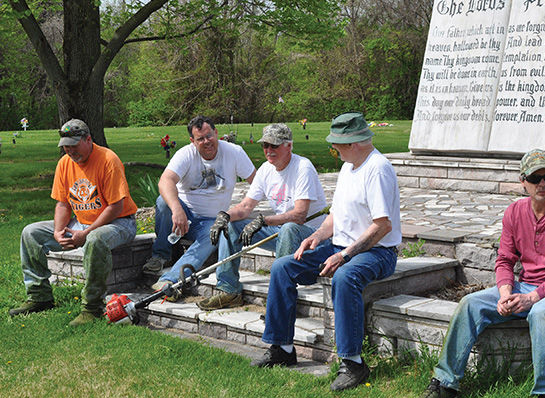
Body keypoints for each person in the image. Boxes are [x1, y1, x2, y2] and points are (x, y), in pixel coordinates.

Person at [408, 149, 545, 398]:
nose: (543, 183)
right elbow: (505, 259)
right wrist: (506, 292)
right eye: (535, 177)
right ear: (523, 181)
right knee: (470, 303)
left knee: (542, 312)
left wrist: (532, 298)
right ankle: (445, 383)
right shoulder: (515, 212)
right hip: (525, 286)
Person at [250, 112, 402, 391]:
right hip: (338, 244)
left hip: (377, 252)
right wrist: (317, 237)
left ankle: (353, 363)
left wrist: (344, 256)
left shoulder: (377, 169)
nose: (334, 149)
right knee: (283, 267)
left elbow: (382, 226)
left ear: (353, 143)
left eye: (337, 144)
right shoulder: (349, 166)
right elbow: (336, 215)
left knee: (345, 276)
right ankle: (282, 348)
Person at [9, 119, 138, 326]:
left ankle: (92, 307)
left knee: (96, 239)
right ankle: (39, 297)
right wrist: (59, 232)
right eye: (66, 146)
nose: (70, 150)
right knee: (31, 232)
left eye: (74, 145)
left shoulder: (108, 159)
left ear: (88, 139)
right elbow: (62, 204)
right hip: (82, 224)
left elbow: (116, 207)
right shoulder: (64, 163)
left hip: (120, 223)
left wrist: (85, 235)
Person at [203, 123, 327, 310]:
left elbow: (300, 215)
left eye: (274, 145)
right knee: (232, 225)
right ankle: (228, 290)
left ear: (289, 146)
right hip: (282, 233)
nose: (268, 150)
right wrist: (224, 216)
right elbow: (245, 207)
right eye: (265, 146)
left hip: (311, 238)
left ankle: (279, 300)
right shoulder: (265, 170)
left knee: (289, 228)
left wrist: (263, 221)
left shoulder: (303, 167)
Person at [143, 115, 256, 299]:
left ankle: (172, 280)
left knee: (218, 231)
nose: (206, 141)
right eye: (200, 139)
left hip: (211, 221)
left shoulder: (234, 152)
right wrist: (177, 209)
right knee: (163, 202)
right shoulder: (186, 154)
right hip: (183, 216)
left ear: (216, 132)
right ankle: (161, 256)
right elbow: (165, 181)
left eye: (209, 135)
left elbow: (256, 182)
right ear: (192, 141)